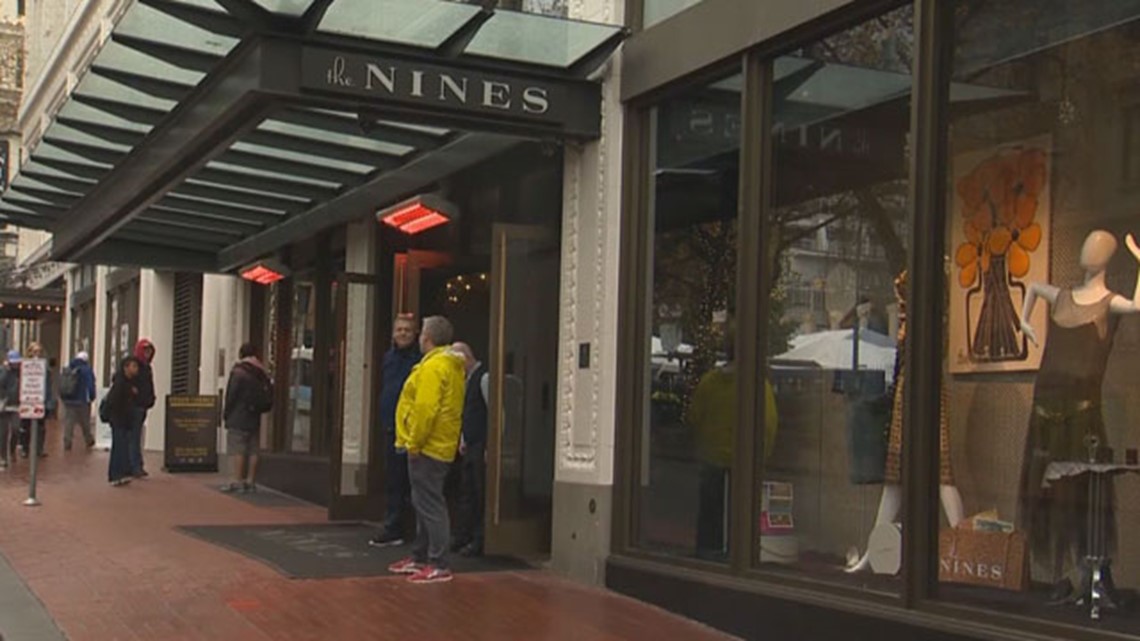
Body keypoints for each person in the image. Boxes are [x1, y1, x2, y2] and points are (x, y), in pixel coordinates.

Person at [387, 316, 466, 584]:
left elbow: (425, 409)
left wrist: (414, 442)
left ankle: (438, 562)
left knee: (430, 504)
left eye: (421, 333)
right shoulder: (447, 365)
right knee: (423, 502)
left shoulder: (434, 367)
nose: (419, 338)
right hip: (438, 444)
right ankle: (420, 556)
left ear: (428, 338)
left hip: (428, 446)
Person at [369, 314, 422, 548]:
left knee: (409, 481)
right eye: (399, 330)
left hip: (410, 429)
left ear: (415, 334)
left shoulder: (419, 360)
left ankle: (409, 528)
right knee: (393, 480)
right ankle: (393, 525)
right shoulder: (388, 358)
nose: (402, 334)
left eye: (407, 330)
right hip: (390, 426)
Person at [450, 342, 489, 558]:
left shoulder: (484, 378)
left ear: (465, 357)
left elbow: (495, 413)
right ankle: (462, 536)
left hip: (481, 444)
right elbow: (466, 413)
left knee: (479, 493)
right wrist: (463, 438)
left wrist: (492, 445)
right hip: (470, 444)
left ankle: (479, 539)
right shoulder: (465, 380)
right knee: (466, 492)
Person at [222, 343, 273, 493]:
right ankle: (251, 481)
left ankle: (237, 480)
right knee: (253, 449)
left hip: (238, 415)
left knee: (237, 448)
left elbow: (231, 395)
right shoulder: (261, 372)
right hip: (254, 415)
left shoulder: (238, 372)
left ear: (241, 354)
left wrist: (226, 413)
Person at [106, 356, 142, 486]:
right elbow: (113, 401)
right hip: (119, 419)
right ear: (126, 368)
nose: (136, 369)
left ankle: (123, 473)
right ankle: (115, 475)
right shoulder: (120, 383)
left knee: (124, 447)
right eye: (133, 366)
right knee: (118, 447)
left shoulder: (130, 383)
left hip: (126, 420)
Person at [18, 343, 52, 459]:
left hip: (41, 400)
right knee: (25, 427)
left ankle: (39, 449)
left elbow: (48, 386)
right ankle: (25, 449)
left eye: (39, 352)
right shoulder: (24, 366)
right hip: (27, 399)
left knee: (41, 427)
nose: (36, 354)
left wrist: (48, 401)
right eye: (34, 351)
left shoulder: (45, 368)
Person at [131, 339, 157, 478]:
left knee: (137, 436)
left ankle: (136, 464)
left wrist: (151, 399)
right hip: (135, 406)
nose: (147, 354)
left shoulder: (147, 368)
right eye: (145, 351)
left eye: (149, 351)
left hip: (143, 406)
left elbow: (149, 385)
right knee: (134, 437)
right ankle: (135, 466)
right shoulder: (135, 366)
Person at [61, 352, 97, 451]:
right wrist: (92, 396)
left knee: (69, 422)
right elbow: (90, 385)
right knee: (85, 422)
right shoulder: (87, 370)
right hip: (82, 400)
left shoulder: (68, 368)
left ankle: (67, 441)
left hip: (69, 399)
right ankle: (88, 439)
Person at [0, 350, 20, 468]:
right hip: (4, 405)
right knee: (3, 432)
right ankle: (3, 457)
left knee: (16, 429)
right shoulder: (3, 371)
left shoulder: (20, 371)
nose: (15, 364)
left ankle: (12, 450)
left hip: (16, 405)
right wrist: (5, 371)